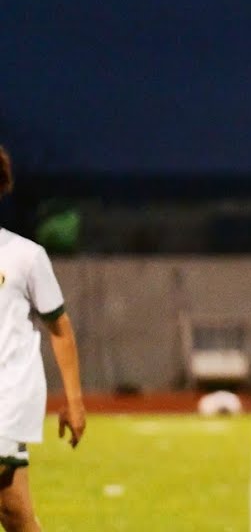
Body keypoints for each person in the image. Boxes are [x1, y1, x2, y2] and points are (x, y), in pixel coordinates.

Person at [0, 146, 87, 532]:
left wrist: (74, 402)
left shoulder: (25, 256)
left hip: (9, 394)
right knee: (15, 513)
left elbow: (60, 328)